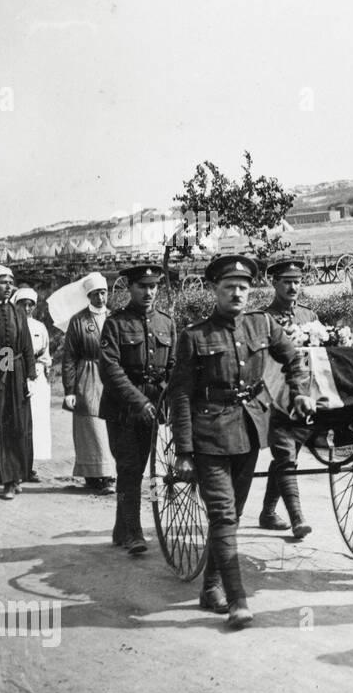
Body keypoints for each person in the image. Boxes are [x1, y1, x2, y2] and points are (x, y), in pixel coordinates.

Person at [168, 255, 313, 628]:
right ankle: (237, 600)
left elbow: (294, 358)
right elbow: (181, 396)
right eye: (229, 287)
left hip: (250, 431)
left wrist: (298, 393)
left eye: (243, 287)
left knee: (231, 517)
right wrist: (183, 451)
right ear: (214, 290)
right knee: (223, 514)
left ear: (251, 291)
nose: (237, 293)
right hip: (209, 436)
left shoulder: (262, 323)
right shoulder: (194, 336)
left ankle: (210, 586)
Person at [98, 265, 177, 554]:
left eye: (153, 286)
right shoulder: (115, 324)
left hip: (155, 409)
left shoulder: (167, 323)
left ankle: (122, 527)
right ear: (130, 288)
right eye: (142, 286)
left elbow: (173, 366)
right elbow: (110, 370)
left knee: (152, 472)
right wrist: (139, 401)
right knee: (130, 469)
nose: (149, 292)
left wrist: (163, 400)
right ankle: (133, 531)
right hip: (124, 410)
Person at [257, 259, 319, 538]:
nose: (293, 286)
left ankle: (268, 512)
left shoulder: (309, 317)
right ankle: (297, 518)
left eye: (297, 281)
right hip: (275, 395)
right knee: (285, 453)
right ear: (274, 283)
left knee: (288, 454)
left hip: (306, 394)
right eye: (286, 282)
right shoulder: (263, 319)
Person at [62, 272, 117, 494]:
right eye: (95, 294)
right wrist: (69, 390)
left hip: (112, 374)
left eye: (103, 293)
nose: (100, 298)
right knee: (89, 424)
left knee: (109, 424)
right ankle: (94, 475)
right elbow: (69, 357)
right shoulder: (79, 321)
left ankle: (109, 474)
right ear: (89, 296)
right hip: (87, 372)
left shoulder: (115, 318)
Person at [0, 265, 35, 500]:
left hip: (17, 374)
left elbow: (26, 345)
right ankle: (6, 480)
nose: (8, 287)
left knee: (18, 425)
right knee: (1, 426)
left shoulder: (18, 312)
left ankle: (17, 475)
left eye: (10, 282)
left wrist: (31, 376)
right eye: (3, 282)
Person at [14, 287, 51, 482]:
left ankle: (30, 466)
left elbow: (46, 353)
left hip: (37, 376)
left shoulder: (40, 327)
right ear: (16, 305)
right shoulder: (11, 324)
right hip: (18, 372)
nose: (27, 308)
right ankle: (17, 467)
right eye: (23, 304)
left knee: (36, 423)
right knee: (19, 422)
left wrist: (44, 371)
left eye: (30, 305)